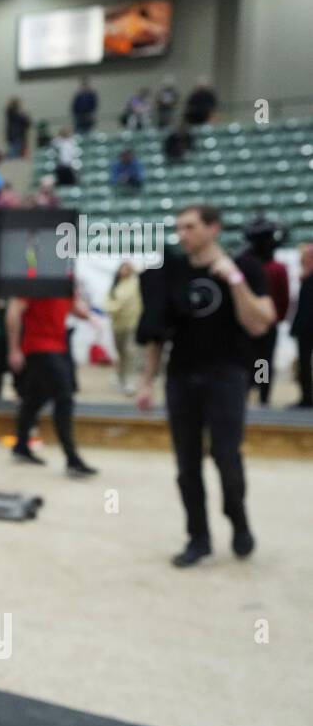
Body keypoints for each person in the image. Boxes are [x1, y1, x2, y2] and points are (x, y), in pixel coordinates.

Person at [136, 205, 276, 567]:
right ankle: (198, 537)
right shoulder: (173, 272)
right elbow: (157, 333)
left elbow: (260, 322)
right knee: (186, 464)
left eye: (191, 227)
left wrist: (234, 282)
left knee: (226, 457)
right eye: (179, 228)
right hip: (181, 376)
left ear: (213, 228)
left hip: (226, 375)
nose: (182, 234)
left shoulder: (245, 268)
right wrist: (147, 381)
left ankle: (238, 520)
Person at [7, 288, 99, 476]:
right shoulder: (38, 277)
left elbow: (71, 305)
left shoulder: (65, 279)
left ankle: (21, 445)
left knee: (36, 397)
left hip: (58, 345)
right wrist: (14, 348)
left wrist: (89, 317)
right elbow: (14, 311)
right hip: (40, 347)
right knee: (64, 397)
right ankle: (72, 458)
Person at [238, 218, 288, 406]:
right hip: (258, 323)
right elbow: (283, 300)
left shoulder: (272, 268)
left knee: (260, 361)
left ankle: (259, 393)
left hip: (256, 323)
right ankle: (260, 394)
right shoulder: (274, 268)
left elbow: (282, 299)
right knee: (261, 361)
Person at [107, 261, 143, 395]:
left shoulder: (135, 283)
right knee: (121, 352)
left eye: (128, 268)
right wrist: (115, 308)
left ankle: (129, 381)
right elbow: (108, 302)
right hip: (117, 325)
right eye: (123, 268)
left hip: (132, 324)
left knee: (130, 351)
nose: (125, 271)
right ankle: (120, 376)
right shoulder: (115, 285)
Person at [291, 243, 313, 408]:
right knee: (304, 365)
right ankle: (306, 397)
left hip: (307, 328)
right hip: (304, 330)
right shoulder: (305, 278)